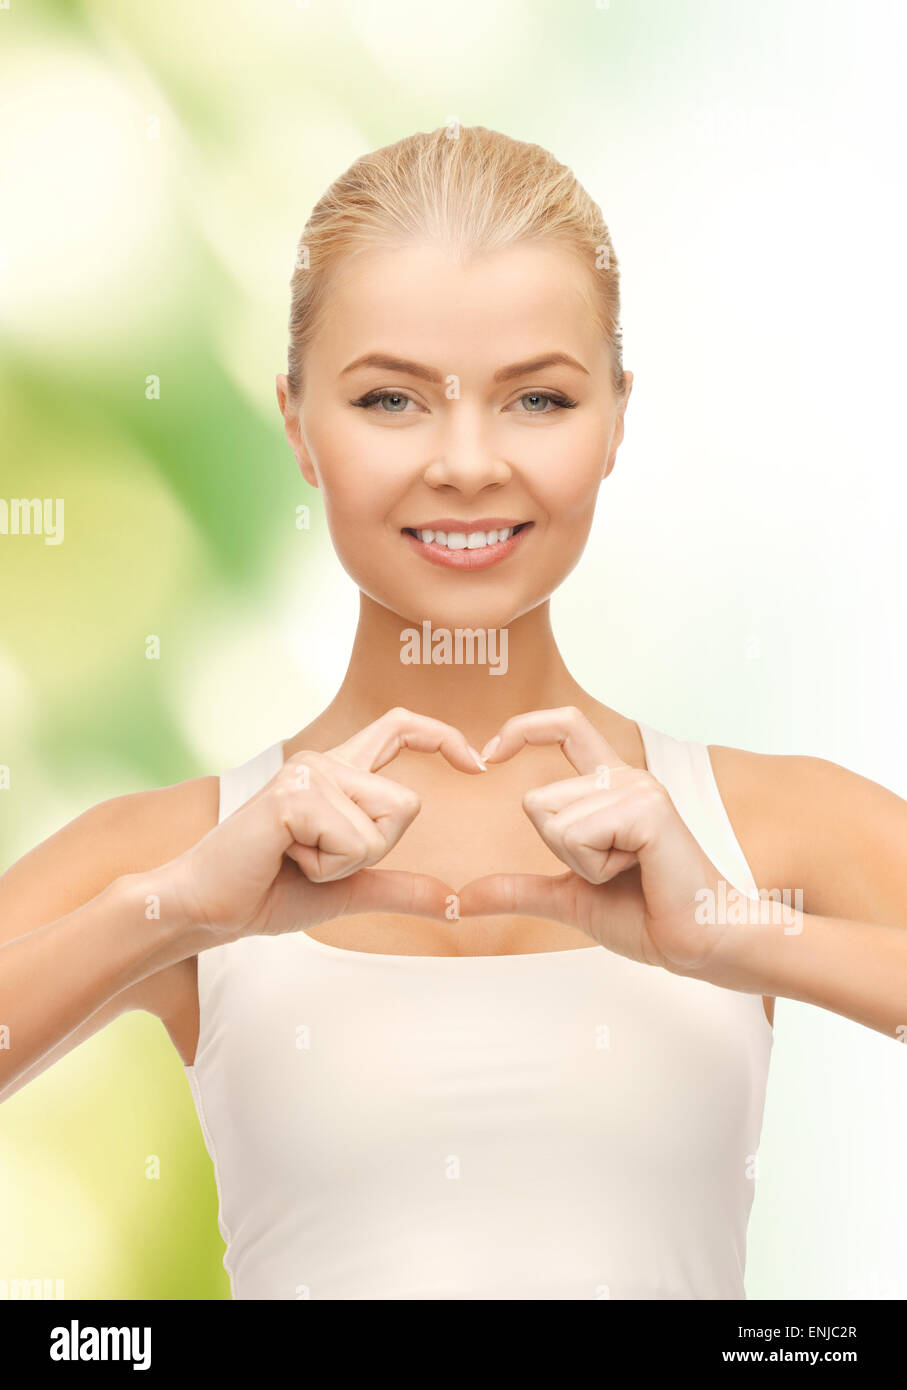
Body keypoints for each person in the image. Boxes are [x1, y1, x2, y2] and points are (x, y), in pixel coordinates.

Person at [2, 125, 905, 1301]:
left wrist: (734, 934)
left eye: (537, 397)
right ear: (295, 423)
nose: (468, 462)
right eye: (391, 399)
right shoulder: (175, 851)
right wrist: (170, 910)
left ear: (617, 416)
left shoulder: (769, 826)